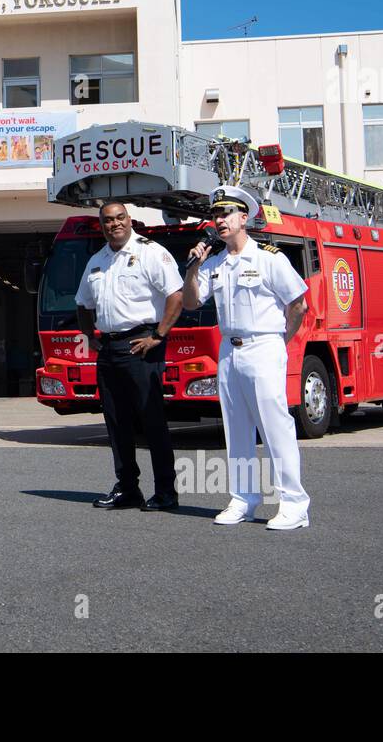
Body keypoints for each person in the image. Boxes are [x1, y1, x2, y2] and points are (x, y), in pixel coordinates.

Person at [182, 186, 311, 530]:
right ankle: (243, 498)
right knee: (236, 428)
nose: (219, 220)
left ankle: (294, 503)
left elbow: (298, 303)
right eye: (216, 215)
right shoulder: (213, 263)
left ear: (244, 218)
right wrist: (192, 269)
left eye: (226, 214)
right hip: (229, 350)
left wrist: (281, 340)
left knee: (275, 427)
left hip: (264, 346)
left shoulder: (269, 258)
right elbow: (192, 303)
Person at [75, 201, 184, 511]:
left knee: (152, 422)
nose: (114, 224)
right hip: (108, 349)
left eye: (120, 217)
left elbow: (176, 294)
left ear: (129, 219)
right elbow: (82, 303)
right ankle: (127, 488)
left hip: (141, 345)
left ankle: (165, 491)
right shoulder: (97, 261)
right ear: (102, 225)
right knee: (116, 422)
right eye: (108, 220)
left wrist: (158, 335)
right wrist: (89, 337)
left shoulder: (150, 252)